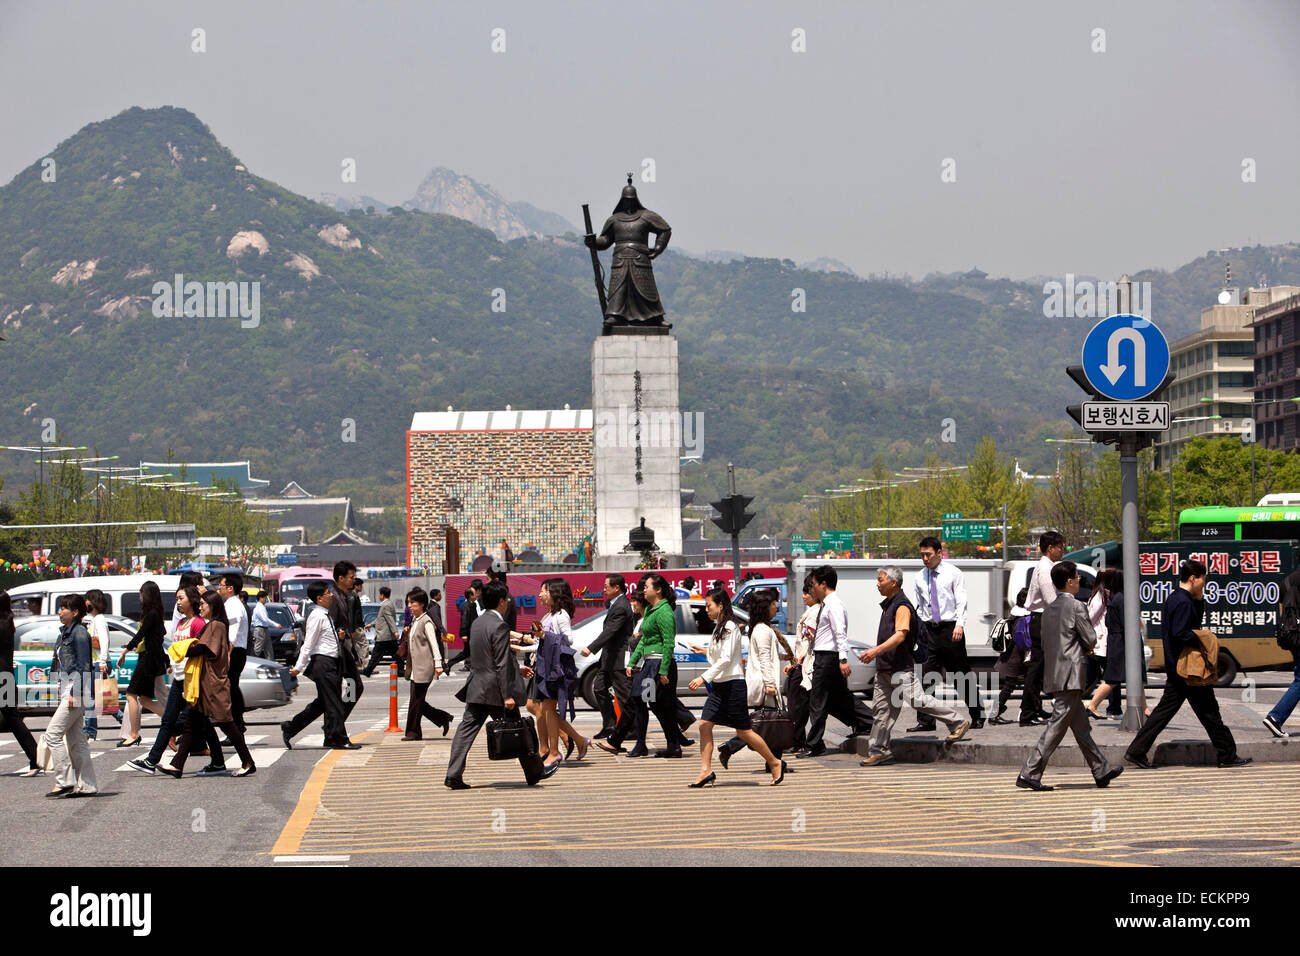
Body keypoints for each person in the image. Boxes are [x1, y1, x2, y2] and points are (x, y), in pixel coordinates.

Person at [1124, 559, 1250, 769]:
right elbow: (1180, 633)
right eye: (1203, 580)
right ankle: (1227, 754)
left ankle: (1136, 751)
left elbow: (1187, 625)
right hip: (1187, 669)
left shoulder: (1178, 598)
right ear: (1193, 578)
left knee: (1174, 712)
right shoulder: (1183, 602)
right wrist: (1203, 638)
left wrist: (1199, 600)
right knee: (1209, 712)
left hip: (1180, 668)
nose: (1205, 584)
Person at [1016, 562, 1123, 791]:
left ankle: (1100, 770)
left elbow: (1046, 643)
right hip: (1072, 672)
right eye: (1076, 577)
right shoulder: (1076, 606)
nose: (1078, 581)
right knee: (1056, 725)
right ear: (1070, 581)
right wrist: (1086, 646)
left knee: (1081, 728)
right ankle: (1029, 772)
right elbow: (1090, 637)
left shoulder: (1048, 610)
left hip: (1055, 672)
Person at [859, 567, 970, 766]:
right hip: (885, 669)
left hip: (899, 668)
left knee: (919, 700)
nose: (877, 583)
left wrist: (875, 651)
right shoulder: (888, 604)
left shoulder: (901, 606)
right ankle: (878, 750)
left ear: (893, 583)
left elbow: (901, 635)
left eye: (880, 580)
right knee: (881, 712)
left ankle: (958, 722)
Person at [444, 579, 549, 789]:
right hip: (496, 691)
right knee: (520, 729)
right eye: (507, 598)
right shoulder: (500, 625)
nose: (509, 601)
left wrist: (516, 669)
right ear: (501, 601)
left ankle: (453, 773)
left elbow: (486, 656)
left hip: (477, 685)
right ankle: (534, 771)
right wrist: (507, 695)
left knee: (465, 730)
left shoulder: (478, 623)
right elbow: (500, 661)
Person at [686, 587, 786, 787]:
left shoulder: (730, 626)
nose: (706, 610)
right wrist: (705, 651)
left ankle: (775, 763)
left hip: (733, 686)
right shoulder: (720, 626)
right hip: (721, 687)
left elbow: (725, 660)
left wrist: (703, 678)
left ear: (720, 605)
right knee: (705, 725)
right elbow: (720, 657)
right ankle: (705, 770)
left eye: (709, 605)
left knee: (744, 732)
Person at [158, 590, 256, 778]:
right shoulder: (212, 625)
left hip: (213, 685)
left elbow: (204, 649)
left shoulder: (217, 625)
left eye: (203, 604)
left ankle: (248, 761)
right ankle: (177, 764)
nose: (200, 607)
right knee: (190, 723)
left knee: (226, 723)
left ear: (213, 606)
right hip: (204, 684)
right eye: (200, 604)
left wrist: (181, 648)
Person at [129, 585, 207, 775]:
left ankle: (226, 760)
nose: (178, 602)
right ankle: (151, 762)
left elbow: (203, 650)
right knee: (170, 721)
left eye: (181, 598)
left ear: (192, 600)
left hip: (192, 679)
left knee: (196, 721)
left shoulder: (198, 624)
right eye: (177, 599)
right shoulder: (180, 624)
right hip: (178, 678)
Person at [796, 565, 872, 758]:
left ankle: (815, 744)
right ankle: (869, 722)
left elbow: (840, 633)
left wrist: (843, 659)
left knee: (818, 701)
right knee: (838, 698)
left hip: (828, 658)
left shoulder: (834, 605)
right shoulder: (827, 604)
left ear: (823, 584)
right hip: (825, 656)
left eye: (813, 584)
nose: (811, 589)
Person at [910, 538, 984, 731]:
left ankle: (977, 715)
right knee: (927, 677)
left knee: (960, 675)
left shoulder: (953, 573)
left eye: (928, 554)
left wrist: (960, 624)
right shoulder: (919, 577)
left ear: (939, 553)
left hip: (950, 630)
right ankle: (926, 721)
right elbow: (919, 606)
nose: (925, 559)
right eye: (922, 555)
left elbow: (961, 601)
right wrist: (918, 630)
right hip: (929, 631)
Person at [281, 580, 360, 751]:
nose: (331, 595)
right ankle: (339, 738)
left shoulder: (324, 615)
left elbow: (322, 640)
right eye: (327, 593)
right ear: (319, 598)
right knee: (335, 703)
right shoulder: (316, 616)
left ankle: (291, 727)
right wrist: (298, 667)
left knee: (323, 703)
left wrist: (338, 637)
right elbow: (308, 644)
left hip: (330, 662)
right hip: (324, 664)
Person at [716, 588, 790, 768]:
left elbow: (765, 654)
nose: (776, 606)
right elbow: (764, 658)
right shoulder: (763, 630)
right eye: (773, 603)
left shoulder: (759, 628)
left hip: (762, 682)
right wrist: (770, 684)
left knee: (765, 723)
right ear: (765, 607)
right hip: (766, 684)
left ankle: (772, 762)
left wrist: (783, 657)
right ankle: (733, 747)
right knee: (768, 723)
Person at [42, 594, 98, 797]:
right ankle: (88, 786)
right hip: (68, 690)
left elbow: (85, 665)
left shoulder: (80, 633)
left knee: (52, 735)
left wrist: (75, 693)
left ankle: (64, 780)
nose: (60, 611)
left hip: (77, 691)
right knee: (77, 742)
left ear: (74, 612)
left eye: (63, 608)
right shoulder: (64, 633)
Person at [532, 578, 590, 770]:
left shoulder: (561, 615)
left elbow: (568, 640)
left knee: (548, 709)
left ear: (554, 593)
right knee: (546, 709)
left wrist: (544, 636)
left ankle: (554, 752)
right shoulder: (549, 615)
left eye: (544, 590)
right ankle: (574, 743)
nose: (540, 594)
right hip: (545, 667)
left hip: (556, 669)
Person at [582, 573, 635, 741]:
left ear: (616, 588)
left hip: (618, 657)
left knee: (623, 695)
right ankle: (610, 725)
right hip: (608, 658)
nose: (604, 589)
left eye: (606, 587)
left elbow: (610, 631)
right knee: (598, 688)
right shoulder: (615, 604)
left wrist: (591, 648)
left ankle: (632, 728)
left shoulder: (621, 606)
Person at [1021, 532, 1066, 726]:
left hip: (1041, 618)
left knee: (1041, 669)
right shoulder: (1046, 569)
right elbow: (1051, 600)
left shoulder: (1047, 567)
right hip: (1041, 619)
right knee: (1036, 667)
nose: (1063, 549)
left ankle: (1035, 708)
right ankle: (1027, 713)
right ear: (1051, 548)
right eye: (1060, 546)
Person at [117, 581, 168, 747]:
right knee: (145, 700)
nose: (139, 597)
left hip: (147, 661)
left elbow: (140, 635)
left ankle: (134, 734)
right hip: (150, 659)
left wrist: (125, 651)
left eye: (141, 594)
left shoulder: (151, 614)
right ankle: (173, 724)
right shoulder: (155, 614)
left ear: (146, 595)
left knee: (131, 695)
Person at [401, 587, 452, 740]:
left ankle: (413, 732)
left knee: (416, 701)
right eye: (408, 602)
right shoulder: (415, 621)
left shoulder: (426, 621)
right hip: (415, 668)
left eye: (413, 602)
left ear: (422, 603)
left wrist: (438, 664)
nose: (409, 605)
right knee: (417, 700)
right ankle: (442, 718)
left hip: (424, 667)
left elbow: (434, 644)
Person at [0, 591, 41, 776]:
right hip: (6, 676)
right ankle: (35, 757)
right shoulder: (8, 623)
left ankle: (36, 757)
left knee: (13, 719)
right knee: (13, 719)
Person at [1085, 568, 1132, 720]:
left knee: (1102, 677)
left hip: (1102, 642)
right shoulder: (1101, 597)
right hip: (1102, 642)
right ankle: (1113, 709)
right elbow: (1091, 618)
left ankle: (1113, 708)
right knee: (1112, 677)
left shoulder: (1102, 595)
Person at [1264, 567, 1300, 738]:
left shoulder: (1286, 581)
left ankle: (1276, 717)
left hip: (1291, 635)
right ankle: (1275, 717)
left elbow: (1282, 612)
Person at [784, 577, 819, 752]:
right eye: (803, 592)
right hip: (801, 664)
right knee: (797, 705)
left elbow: (809, 642)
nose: (804, 596)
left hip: (804, 664)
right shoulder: (810, 611)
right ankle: (798, 740)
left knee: (797, 706)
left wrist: (797, 662)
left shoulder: (814, 613)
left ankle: (798, 741)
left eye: (807, 593)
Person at [328, 561, 365, 714]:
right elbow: (329, 624)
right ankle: (336, 724)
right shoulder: (334, 598)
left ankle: (337, 723)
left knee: (353, 686)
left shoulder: (345, 596)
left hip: (345, 649)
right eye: (351, 577)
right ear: (341, 578)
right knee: (351, 687)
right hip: (336, 651)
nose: (353, 580)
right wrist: (339, 633)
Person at [989, 589, 1030, 724]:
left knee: (1032, 682)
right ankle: (994, 715)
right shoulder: (1022, 619)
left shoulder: (1014, 615)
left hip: (1011, 656)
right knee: (1009, 686)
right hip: (1016, 657)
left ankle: (1033, 710)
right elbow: (1022, 640)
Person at [217, 572, 249, 735]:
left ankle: (237, 726)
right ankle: (237, 725)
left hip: (234, 651)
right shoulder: (230, 604)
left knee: (230, 689)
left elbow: (233, 634)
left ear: (230, 588)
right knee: (231, 689)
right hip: (233, 651)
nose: (219, 589)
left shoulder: (234, 606)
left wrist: (226, 655)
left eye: (221, 586)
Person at [82, 588, 111, 741]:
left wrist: (102, 661)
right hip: (96, 663)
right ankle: (124, 722)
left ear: (93, 602)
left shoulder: (99, 619)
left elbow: (104, 641)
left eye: (87, 599)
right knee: (103, 699)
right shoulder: (93, 619)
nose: (85, 602)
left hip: (99, 663)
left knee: (91, 697)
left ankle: (89, 730)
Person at [445, 581, 483, 673]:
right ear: (470, 595)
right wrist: (464, 634)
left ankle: (450, 663)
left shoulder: (473, 605)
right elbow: (464, 620)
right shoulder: (466, 606)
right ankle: (450, 663)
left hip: (473, 633)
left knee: (467, 652)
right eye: (474, 594)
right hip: (469, 634)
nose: (476, 595)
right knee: (468, 652)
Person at [364, 586, 400, 677]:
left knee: (376, 655)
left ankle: (368, 670)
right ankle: (400, 670)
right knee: (396, 654)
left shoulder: (385, 605)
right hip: (388, 636)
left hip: (384, 635)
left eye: (380, 594)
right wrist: (371, 625)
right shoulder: (389, 604)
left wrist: (395, 631)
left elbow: (389, 619)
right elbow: (380, 619)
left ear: (382, 595)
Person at [250, 590, 274, 660]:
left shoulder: (263, 607)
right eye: (265, 598)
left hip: (265, 629)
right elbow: (265, 619)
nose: (266, 600)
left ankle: (270, 665)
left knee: (269, 650)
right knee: (257, 650)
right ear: (261, 598)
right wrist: (276, 625)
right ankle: (252, 663)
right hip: (260, 629)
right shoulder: (259, 608)